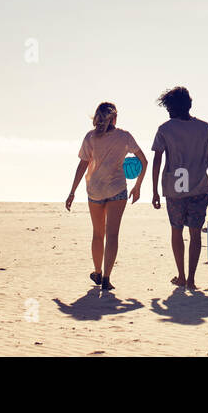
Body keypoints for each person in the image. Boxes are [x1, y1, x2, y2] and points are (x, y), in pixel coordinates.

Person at [65, 101, 146, 294]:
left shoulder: (90, 137)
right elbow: (144, 160)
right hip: (117, 189)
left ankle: (97, 271)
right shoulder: (124, 137)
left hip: (95, 190)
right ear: (115, 118)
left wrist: (72, 191)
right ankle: (107, 278)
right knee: (112, 235)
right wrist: (137, 186)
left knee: (97, 234)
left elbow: (82, 166)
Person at [150, 86, 208, 291]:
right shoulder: (205, 128)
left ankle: (181, 275)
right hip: (200, 188)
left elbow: (157, 161)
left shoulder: (165, 129)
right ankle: (191, 279)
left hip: (174, 190)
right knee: (195, 234)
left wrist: (155, 190)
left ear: (171, 107)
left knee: (176, 230)